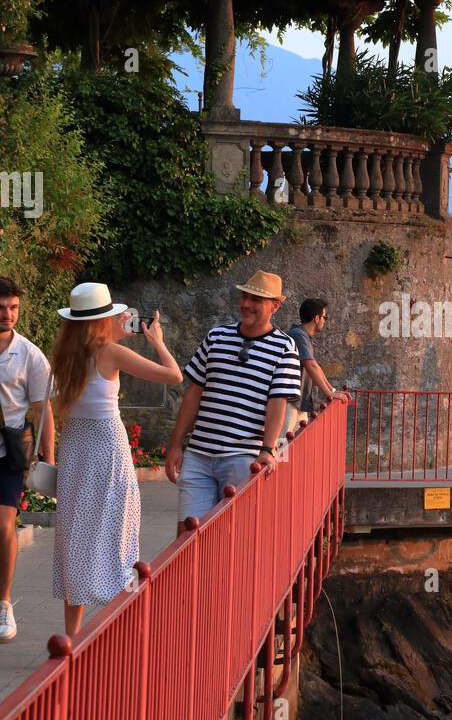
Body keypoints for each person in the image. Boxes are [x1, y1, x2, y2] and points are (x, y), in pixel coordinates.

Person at [51, 282, 183, 637]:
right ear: (101, 320)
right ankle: (122, 629)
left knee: (76, 536)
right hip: (107, 449)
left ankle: (72, 637)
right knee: (117, 533)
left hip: (76, 448)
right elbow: (174, 375)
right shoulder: (111, 353)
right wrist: (157, 341)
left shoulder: (65, 354)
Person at [166, 271, 301, 524]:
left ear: (275, 305)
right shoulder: (216, 337)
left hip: (242, 458)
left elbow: (277, 403)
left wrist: (267, 450)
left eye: (256, 300)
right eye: (245, 296)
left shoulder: (285, 348)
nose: (246, 304)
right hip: (198, 454)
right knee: (186, 536)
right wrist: (175, 444)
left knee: (232, 535)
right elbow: (194, 393)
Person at [0, 277, 55, 644]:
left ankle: (4, 604)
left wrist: (49, 460)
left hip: (8, 453)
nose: (8, 315)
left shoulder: (30, 354)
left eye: (14, 308)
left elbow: (43, 409)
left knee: (4, 526)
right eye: (2, 307)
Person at [286, 297, 349, 434]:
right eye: (325, 317)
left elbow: (315, 365)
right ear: (316, 318)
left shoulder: (303, 336)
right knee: (282, 446)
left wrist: (332, 390)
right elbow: (310, 365)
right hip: (290, 402)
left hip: (298, 402)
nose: (325, 321)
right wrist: (330, 393)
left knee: (295, 446)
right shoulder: (298, 335)